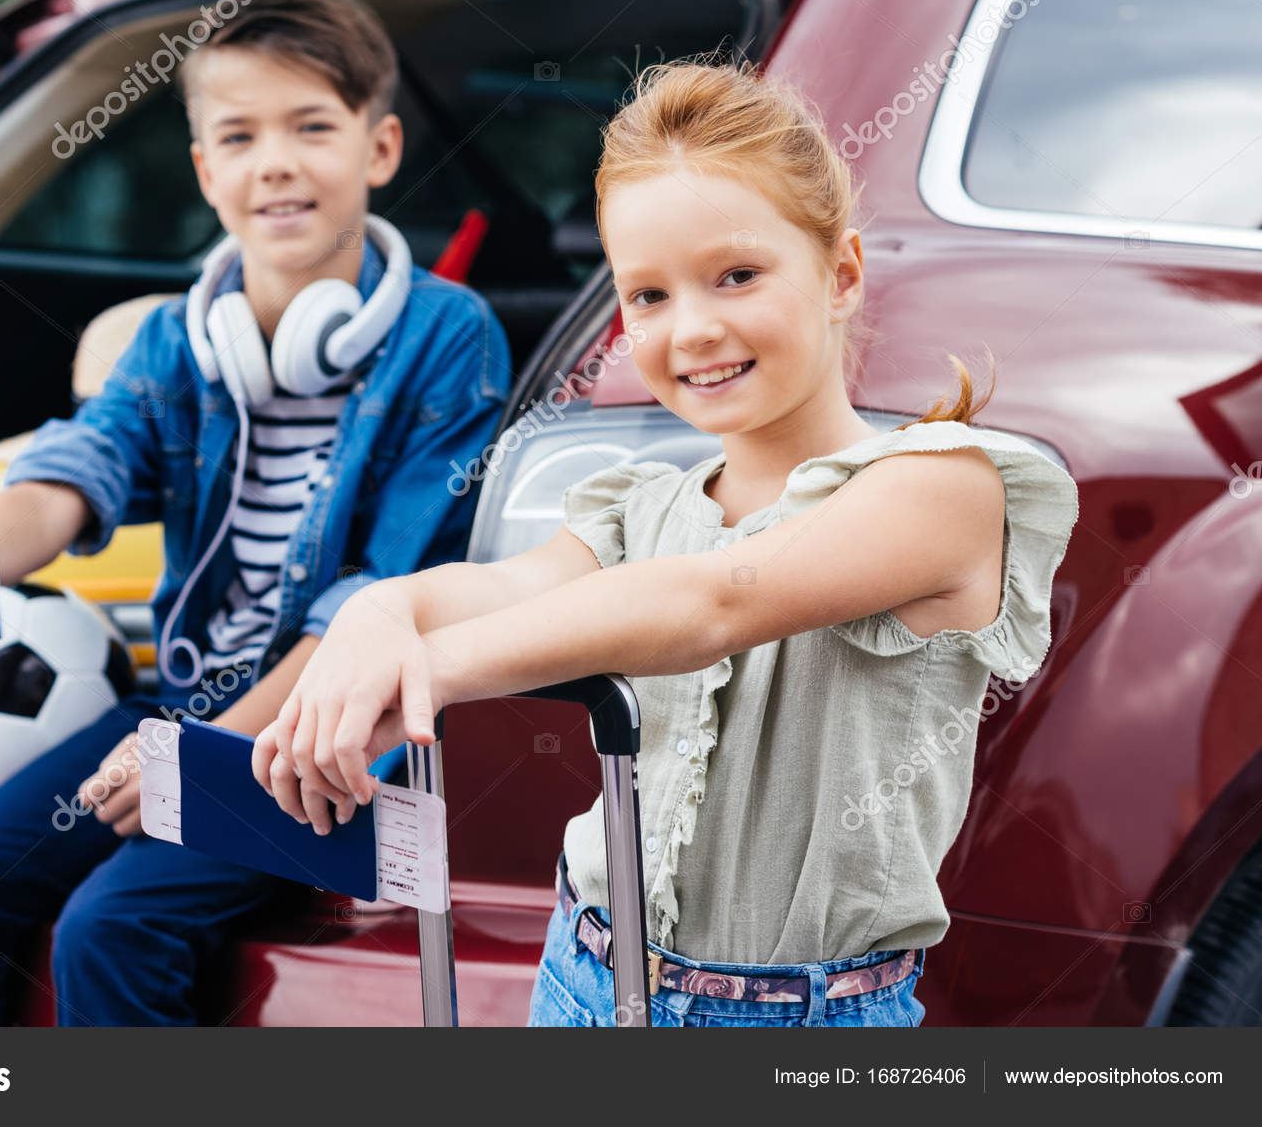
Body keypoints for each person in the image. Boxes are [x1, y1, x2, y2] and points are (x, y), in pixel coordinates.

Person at [252, 56, 1081, 1028]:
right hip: (584, 974)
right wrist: (377, 615)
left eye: (737, 276)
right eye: (647, 296)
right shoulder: (639, 507)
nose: (691, 329)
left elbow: (712, 603)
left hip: (803, 1016)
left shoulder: (939, 486)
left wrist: (423, 673)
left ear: (841, 274)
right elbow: (506, 588)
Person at [0, 0, 511, 1026]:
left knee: (110, 927)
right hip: (184, 709)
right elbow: (77, 474)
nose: (276, 162)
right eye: (240, 137)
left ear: (381, 148)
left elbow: (377, 600)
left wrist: (193, 762)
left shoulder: (450, 337)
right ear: (207, 170)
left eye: (311, 126)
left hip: (330, 743)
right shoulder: (175, 339)